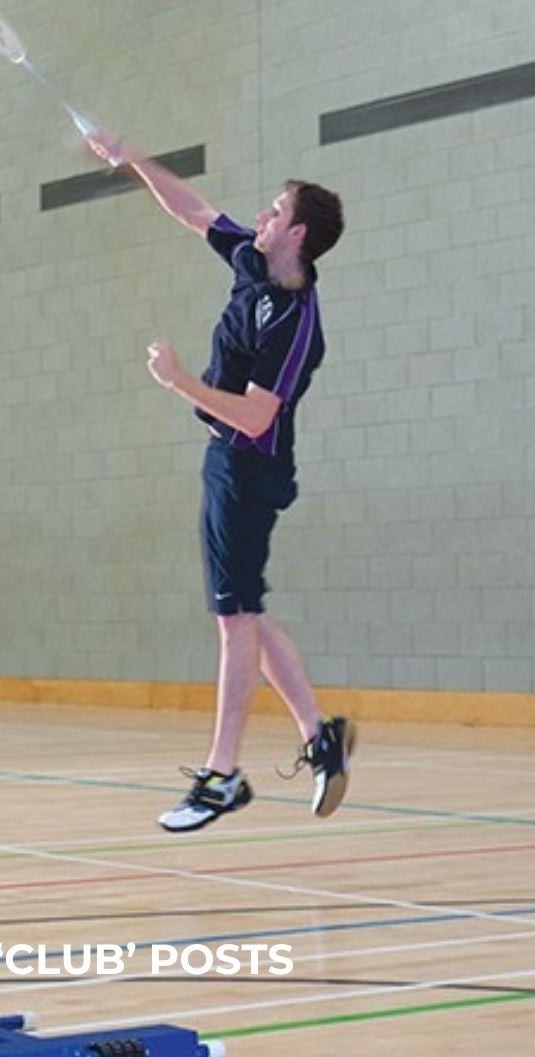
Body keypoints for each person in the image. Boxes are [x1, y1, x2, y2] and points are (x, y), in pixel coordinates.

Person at [85, 130, 356, 833]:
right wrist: (133, 158)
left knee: (234, 619)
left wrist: (178, 383)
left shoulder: (297, 321)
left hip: (250, 466)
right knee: (249, 614)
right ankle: (317, 736)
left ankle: (222, 775)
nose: (259, 218)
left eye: (272, 211)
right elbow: (195, 212)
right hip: (228, 461)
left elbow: (260, 416)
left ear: (295, 233)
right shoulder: (253, 263)